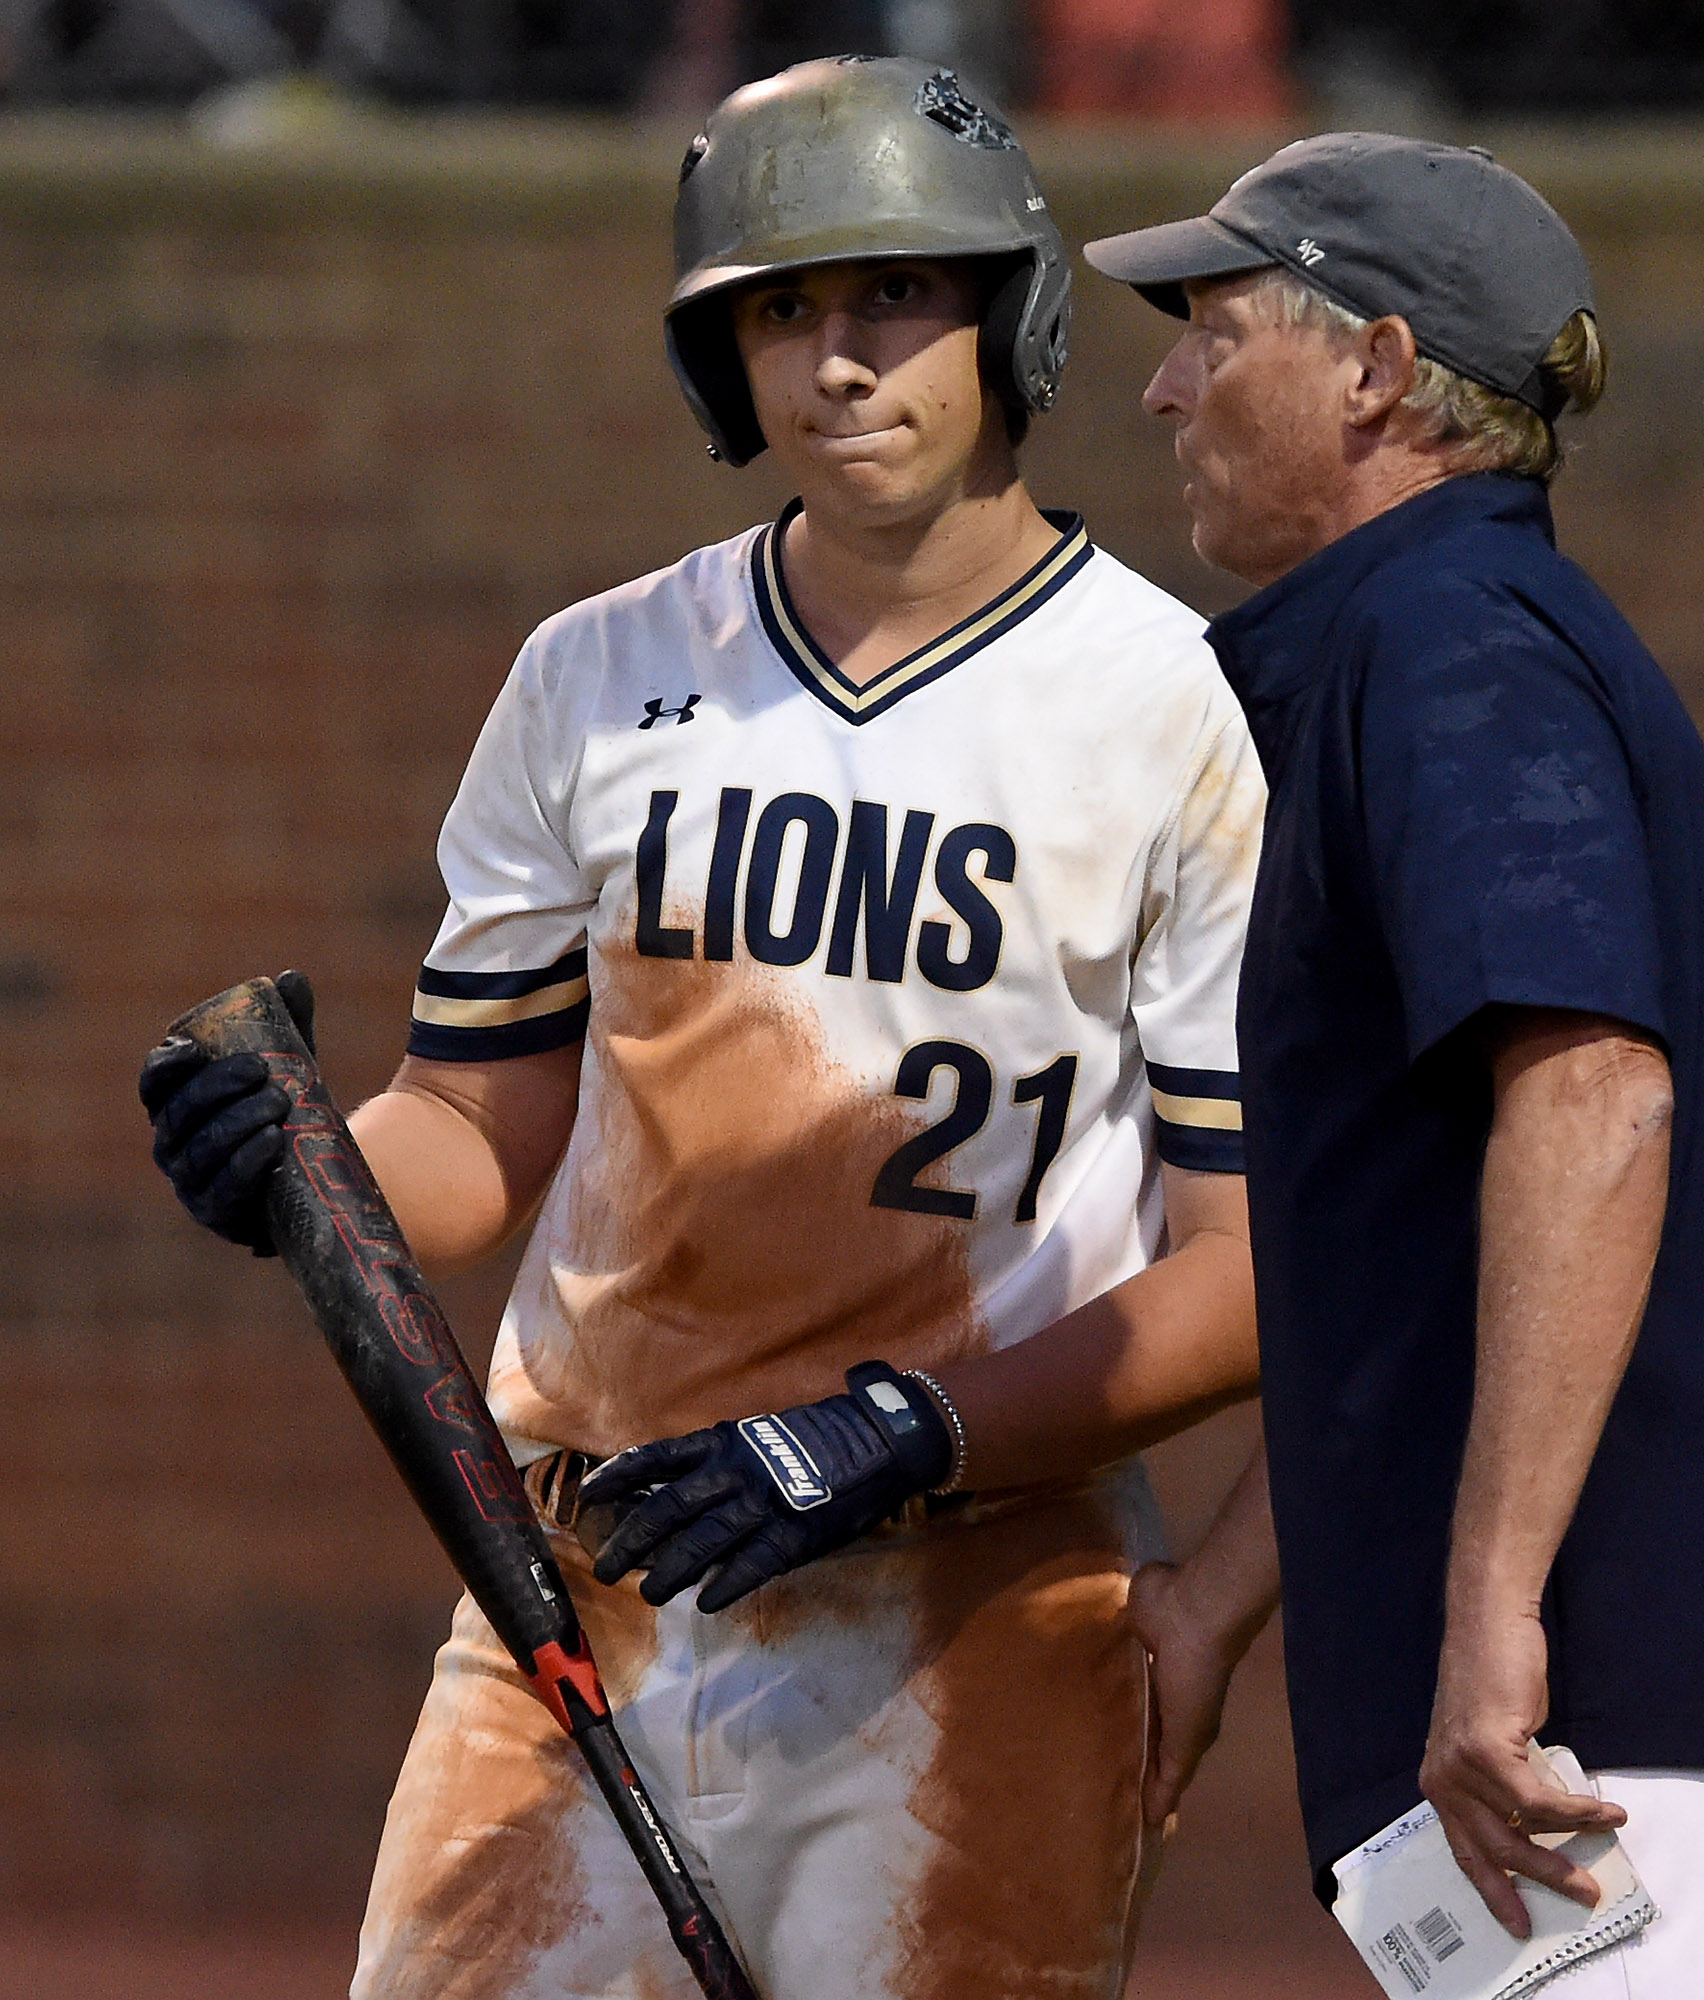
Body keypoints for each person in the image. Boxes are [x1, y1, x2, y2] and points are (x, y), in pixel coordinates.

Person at [138, 57, 1266, 2000]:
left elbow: (1254, 1274)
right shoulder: (595, 672)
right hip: (581, 1582)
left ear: (1015, 310)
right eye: (776, 309)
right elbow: (476, 1137)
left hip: (982, 1597)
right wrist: (309, 1172)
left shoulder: (1186, 706)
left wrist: (895, 1432)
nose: (836, 358)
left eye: (893, 294)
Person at [1083, 133, 1704, 1994]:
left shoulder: (1450, 639)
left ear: (1378, 372)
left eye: (1213, 333)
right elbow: (1426, 1277)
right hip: (1596, 1739)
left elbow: (1593, 1097)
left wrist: (1495, 1623)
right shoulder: (1434, 637)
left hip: (1603, 1741)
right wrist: (1220, 1603)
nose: (1162, 385)